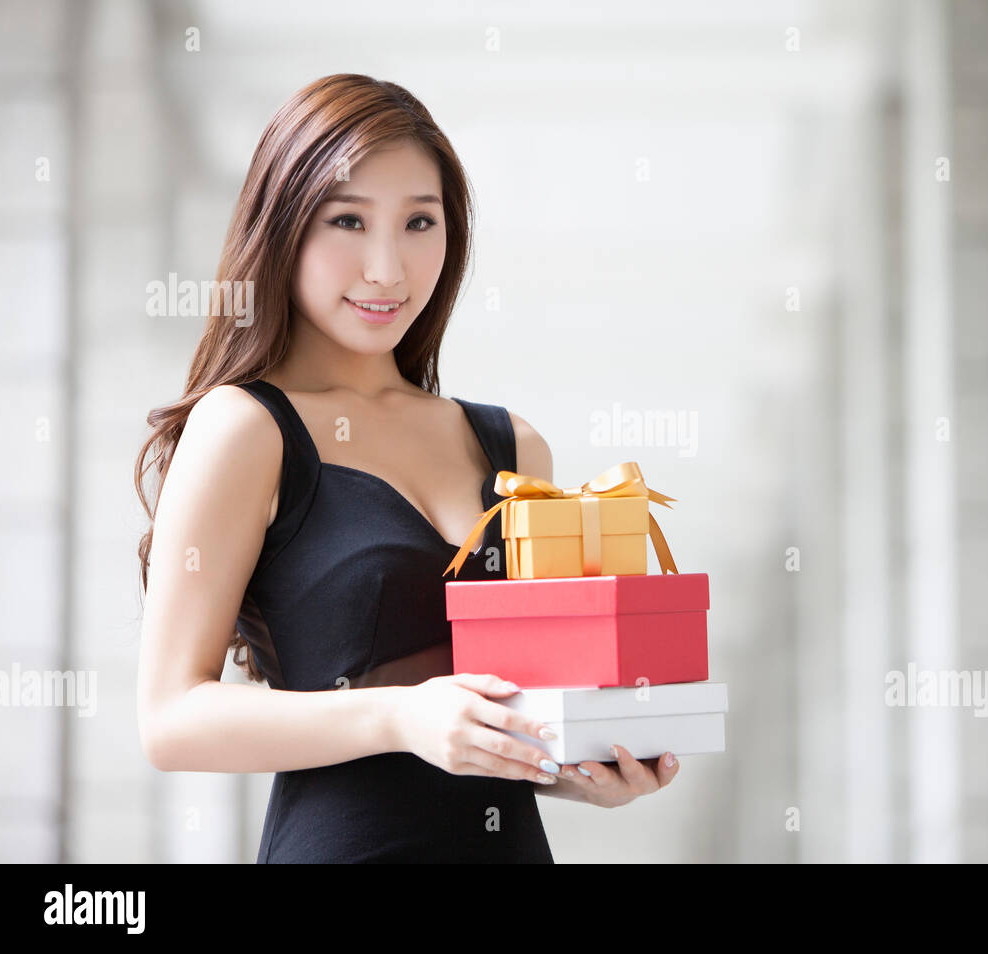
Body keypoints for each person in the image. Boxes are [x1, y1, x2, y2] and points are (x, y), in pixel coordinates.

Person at [132, 74, 678, 863]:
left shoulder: (515, 449)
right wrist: (398, 717)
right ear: (283, 229)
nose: (388, 268)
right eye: (348, 220)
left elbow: (510, 714)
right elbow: (170, 720)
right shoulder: (247, 429)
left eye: (420, 222)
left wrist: (581, 769)